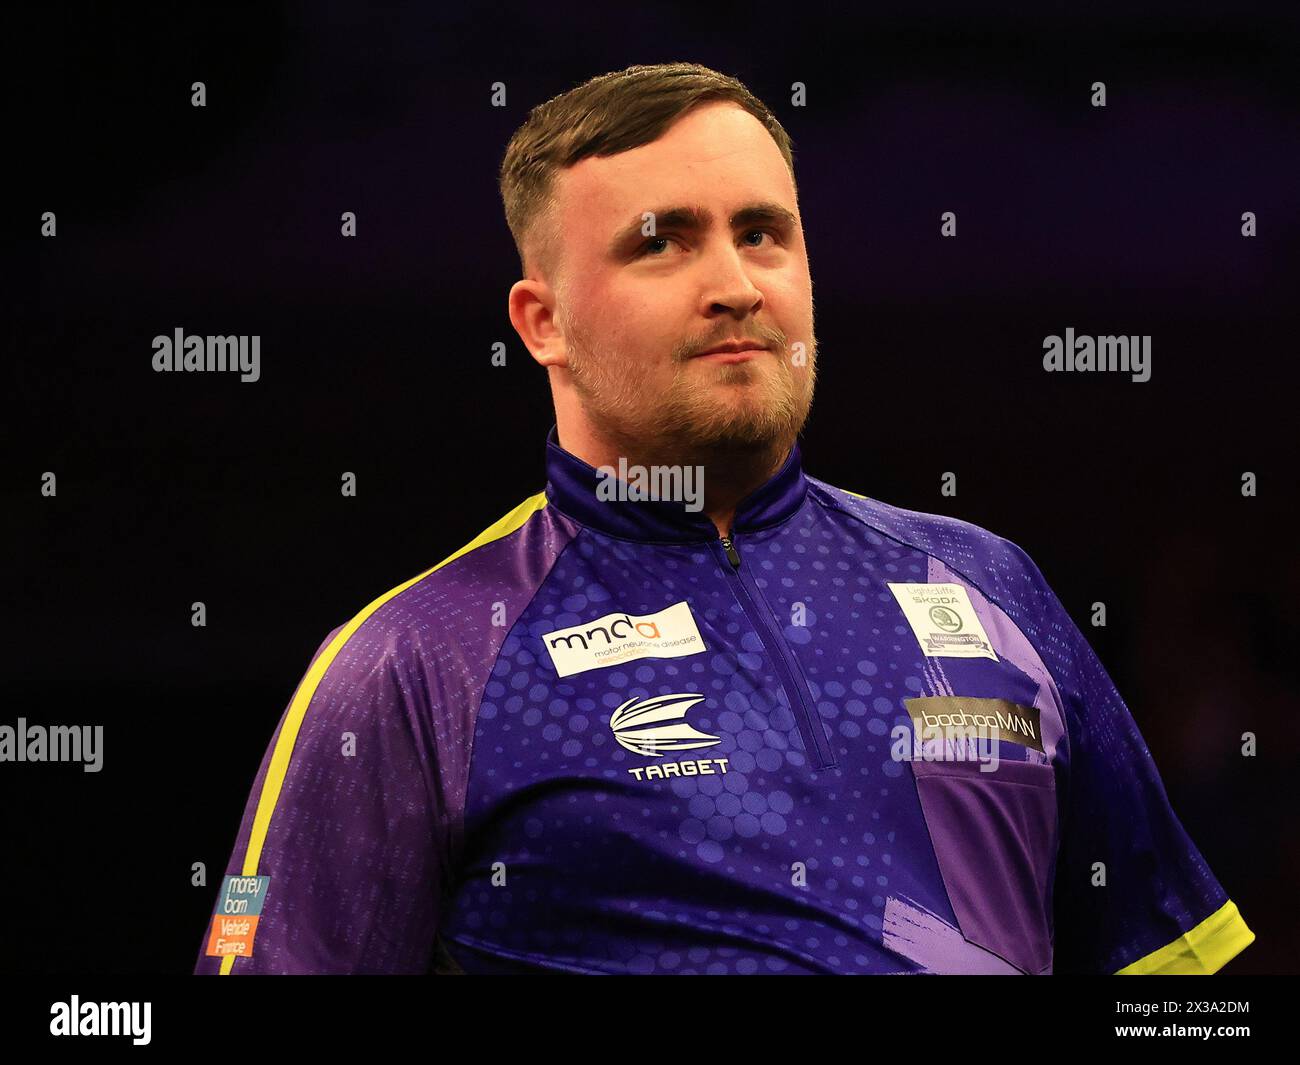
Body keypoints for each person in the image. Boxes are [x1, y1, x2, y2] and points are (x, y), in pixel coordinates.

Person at [195, 62, 1253, 975]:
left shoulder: (988, 588)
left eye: (763, 234)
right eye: (664, 243)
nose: (735, 284)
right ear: (542, 321)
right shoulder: (416, 662)